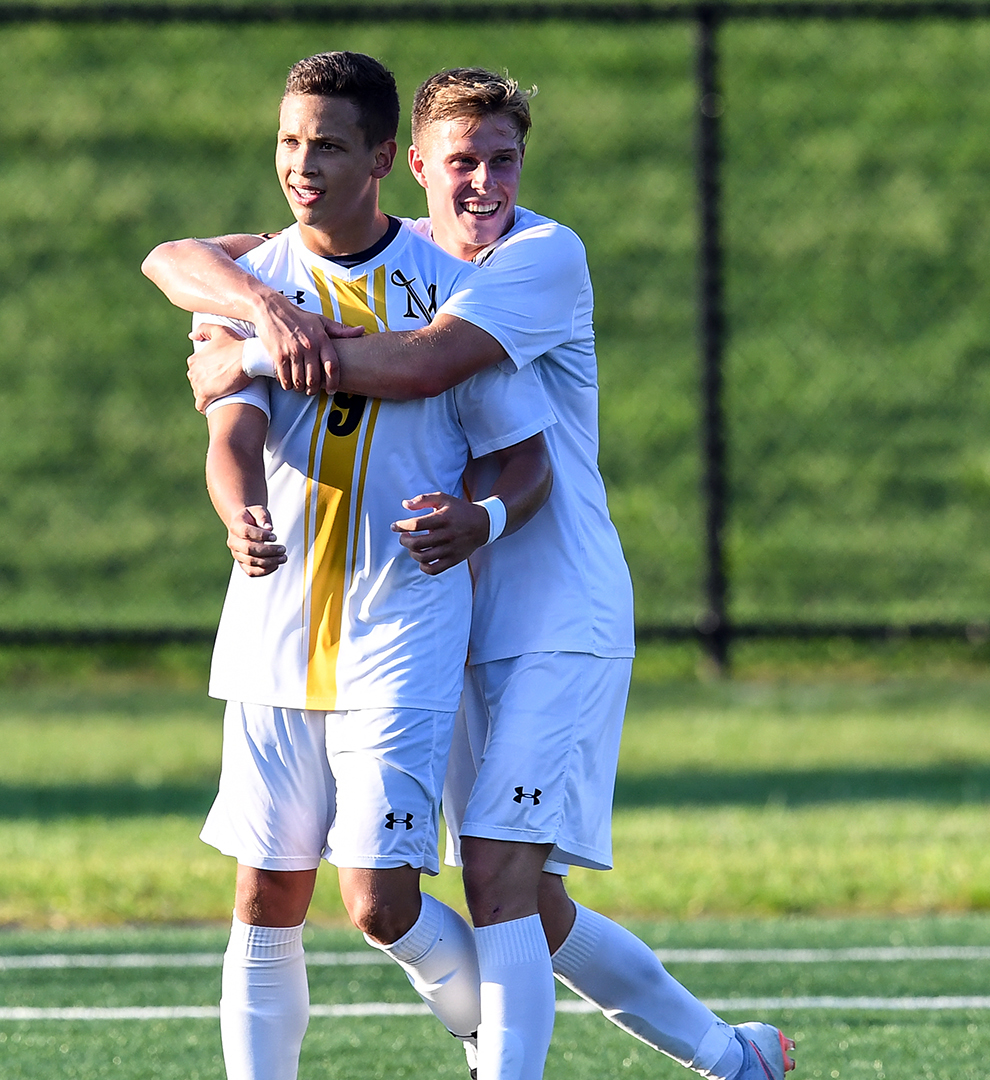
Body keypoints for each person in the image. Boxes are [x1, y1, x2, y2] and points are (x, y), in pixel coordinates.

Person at [144, 68, 796, 1080]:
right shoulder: (368, 255)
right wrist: (258, 316)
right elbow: (173, 257)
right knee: (529, 903)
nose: (486, 182)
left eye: (505, 160)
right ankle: (729, 1053)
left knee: (488, 878)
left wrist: (258, 354)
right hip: (456, 617)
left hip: (553, 609)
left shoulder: (534, 257)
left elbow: (422, 368)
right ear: (412, 169)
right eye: (463, 161)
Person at [175, 51, 561, 1080]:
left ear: (383, 158)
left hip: (402, 631)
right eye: (291, 141)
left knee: (378, 901)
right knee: (267, 895)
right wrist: (242, 509)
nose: (302, 164)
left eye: (330, 145)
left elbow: (527, 462)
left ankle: (490, 1026)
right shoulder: (252, 283)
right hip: (274, 631)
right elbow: (229, 434)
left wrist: (479, 519)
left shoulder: (446, 292)